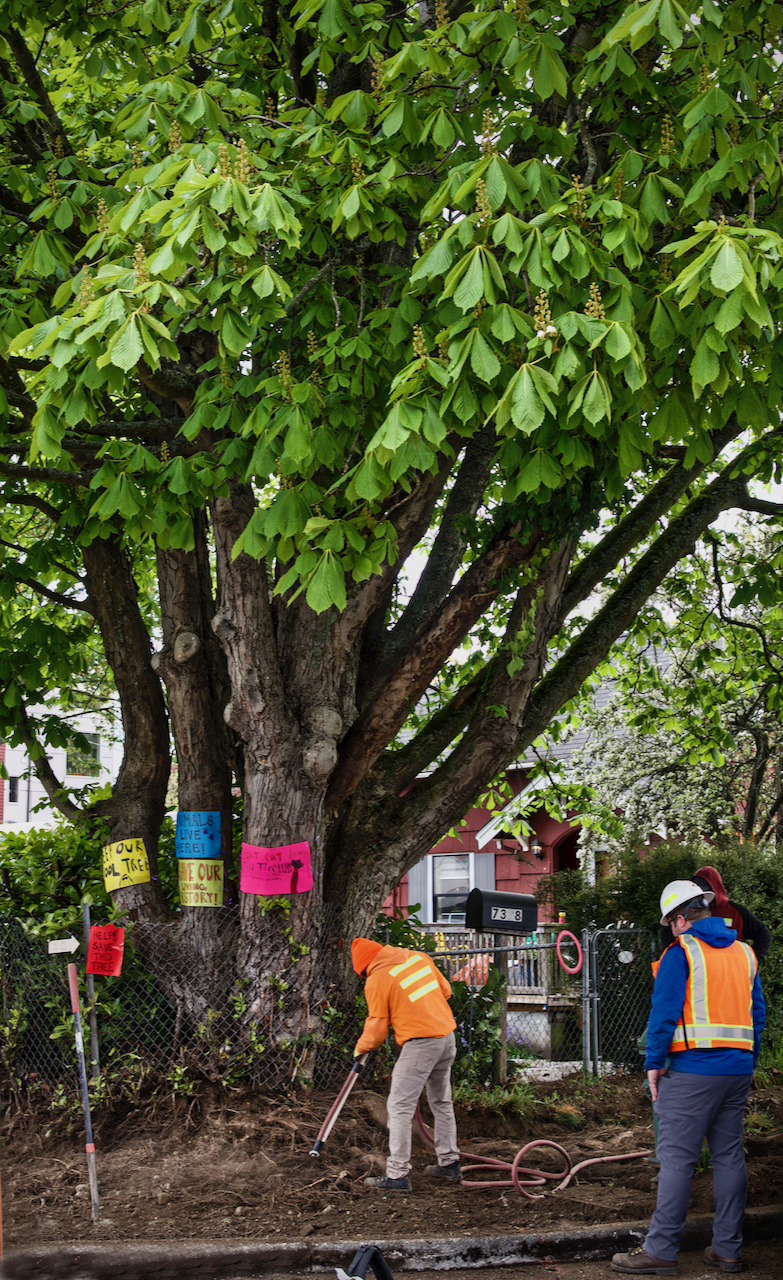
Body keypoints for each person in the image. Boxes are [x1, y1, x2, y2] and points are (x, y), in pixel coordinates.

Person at [612, 880, 765, 1276]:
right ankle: (727, 1249)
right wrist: (748, 1063)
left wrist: (653, 1063)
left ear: (681, 919)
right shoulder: (745, 954)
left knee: (677, 1160)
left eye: (671, 923)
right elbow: (757, 1016)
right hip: (738, 1069)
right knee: (729, 1156)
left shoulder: (681, 953)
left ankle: (661, 1250)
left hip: (692, 1071)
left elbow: (662, 1014)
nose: (671, 929)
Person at [351, 936, 461, 1192]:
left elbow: (377, 1030)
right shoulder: (418, 957)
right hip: (446, 1037)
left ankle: (397, 1175)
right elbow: (445, 991)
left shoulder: (377, 979)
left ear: (365, 965)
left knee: (399, 1106)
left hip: (421, 1044)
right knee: (441, 1101)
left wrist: (361, 1047)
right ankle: (449, 1163)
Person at [659, 866, 772, 959]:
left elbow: (763, 934)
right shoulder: (689, 911)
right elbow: (669, 931)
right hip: (696, 967)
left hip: (733, 966)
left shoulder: (737, 912)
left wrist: (752, 958)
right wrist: (676, 955)